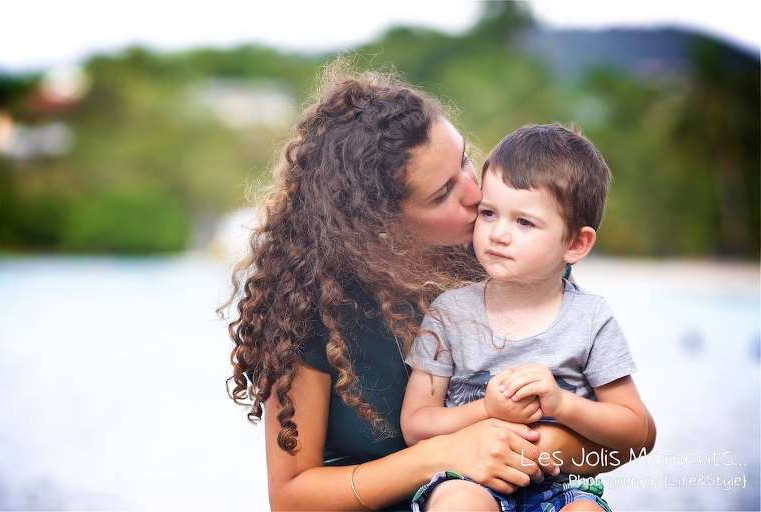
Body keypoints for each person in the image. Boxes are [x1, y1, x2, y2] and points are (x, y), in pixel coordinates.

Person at [221, 57, 654, 511]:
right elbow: (291, 498)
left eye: (466, 158)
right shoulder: (305, 306)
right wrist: (442, 454)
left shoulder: (510, 261)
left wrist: (530, 445)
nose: (476, 192)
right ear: (378, 225)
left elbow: (626, 442)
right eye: (443, 193)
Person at [401, 122, 654, 511]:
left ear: (575, 243)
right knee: (457, 503)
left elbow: (637, 433)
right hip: (470, 476)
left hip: (561, 486)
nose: (498, 233)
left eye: (524, 222)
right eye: (489, 213)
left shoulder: (590, 318)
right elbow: (416, 426)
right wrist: (486, 409)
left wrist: (562, 404)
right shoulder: (450, 313)